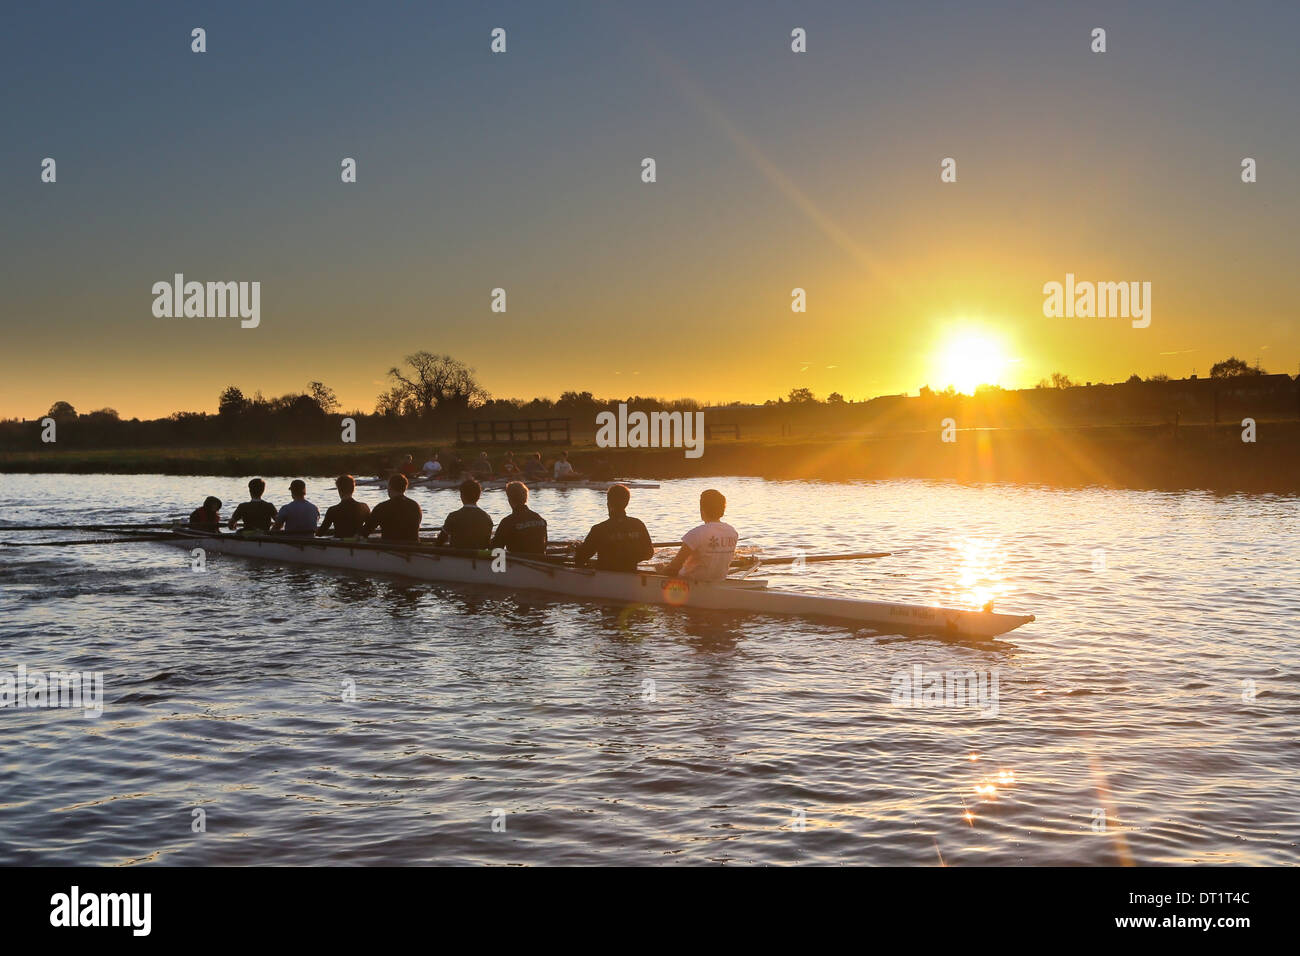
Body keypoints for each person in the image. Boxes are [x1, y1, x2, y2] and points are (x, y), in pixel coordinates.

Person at [574, 484, 654, 572]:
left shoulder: (599, 529)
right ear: (627, 502)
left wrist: (578, 549)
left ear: (609, 503)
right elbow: (649, 553)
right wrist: (629, 558)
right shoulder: (638, 524)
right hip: (631, 576)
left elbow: (580, 559)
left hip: (604, 578)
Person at [663, 489, 738, 581]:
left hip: (690, 585)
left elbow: (673, 569)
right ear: (722, 510)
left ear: (702, 509)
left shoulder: (696, 534)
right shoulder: (732, 532)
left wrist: (660, 569)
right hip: (718, 583)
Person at [359, 473, 423, 543]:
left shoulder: (382, 507)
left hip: (391, 548)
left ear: (390, 487)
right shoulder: (415, 506)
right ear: (405, 488)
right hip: (413, 547)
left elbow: (365, 532)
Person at [490, 481, 547, 555]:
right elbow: (544, 546)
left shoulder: (508, 522)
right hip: (540, 561)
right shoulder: (540, 519)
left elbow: (495, 549)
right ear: (526, 498)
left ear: (509, 499)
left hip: (518, 563)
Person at [435, 479, 494, 549]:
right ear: (478, 497)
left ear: (461, 496)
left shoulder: (453, 516)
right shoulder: (487, 518)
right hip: (478, 557)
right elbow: (487, 544)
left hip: (457, 556)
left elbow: (439, 542)